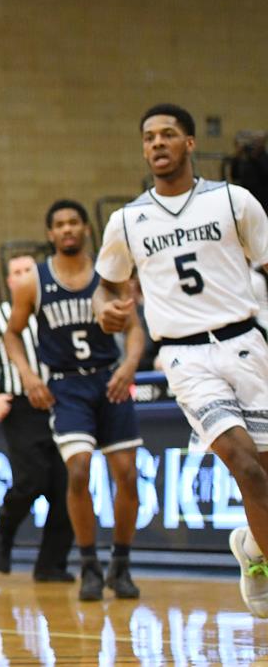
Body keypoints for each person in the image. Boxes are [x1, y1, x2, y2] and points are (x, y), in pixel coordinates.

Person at [93, 104, 268, 617]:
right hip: (186, 356)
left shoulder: (234, 201)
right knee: (246, 470)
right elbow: (105, 287)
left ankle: (253, 548)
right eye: (149, 137)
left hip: (248, 344)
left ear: (190, 143)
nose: (157, 144)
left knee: (264, 476)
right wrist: (108, 310)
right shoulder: (127, 220)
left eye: (168, 134)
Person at [3, 199, 145, 602]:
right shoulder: (34, 280)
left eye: (73, 223)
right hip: (66, 387)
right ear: (50, 233)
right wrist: (29, 376)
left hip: (110, 381)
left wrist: (130, 364)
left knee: (127, 476)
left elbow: (136, 330)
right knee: (79, 471)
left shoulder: (108, 274)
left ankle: (121, 564)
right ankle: (88, 565)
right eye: (59, 224)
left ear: (85, 228)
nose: (67, 229)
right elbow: (11, 334)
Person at [0, 256, 72, 582]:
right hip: (22, 408)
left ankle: (50, 565)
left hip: (62, 403)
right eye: (17, 272)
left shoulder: (55, 310)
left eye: (30, 270)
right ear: (9, 281)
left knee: (66, 486)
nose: (24, 276)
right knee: (33, 479)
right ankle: (4, 530)